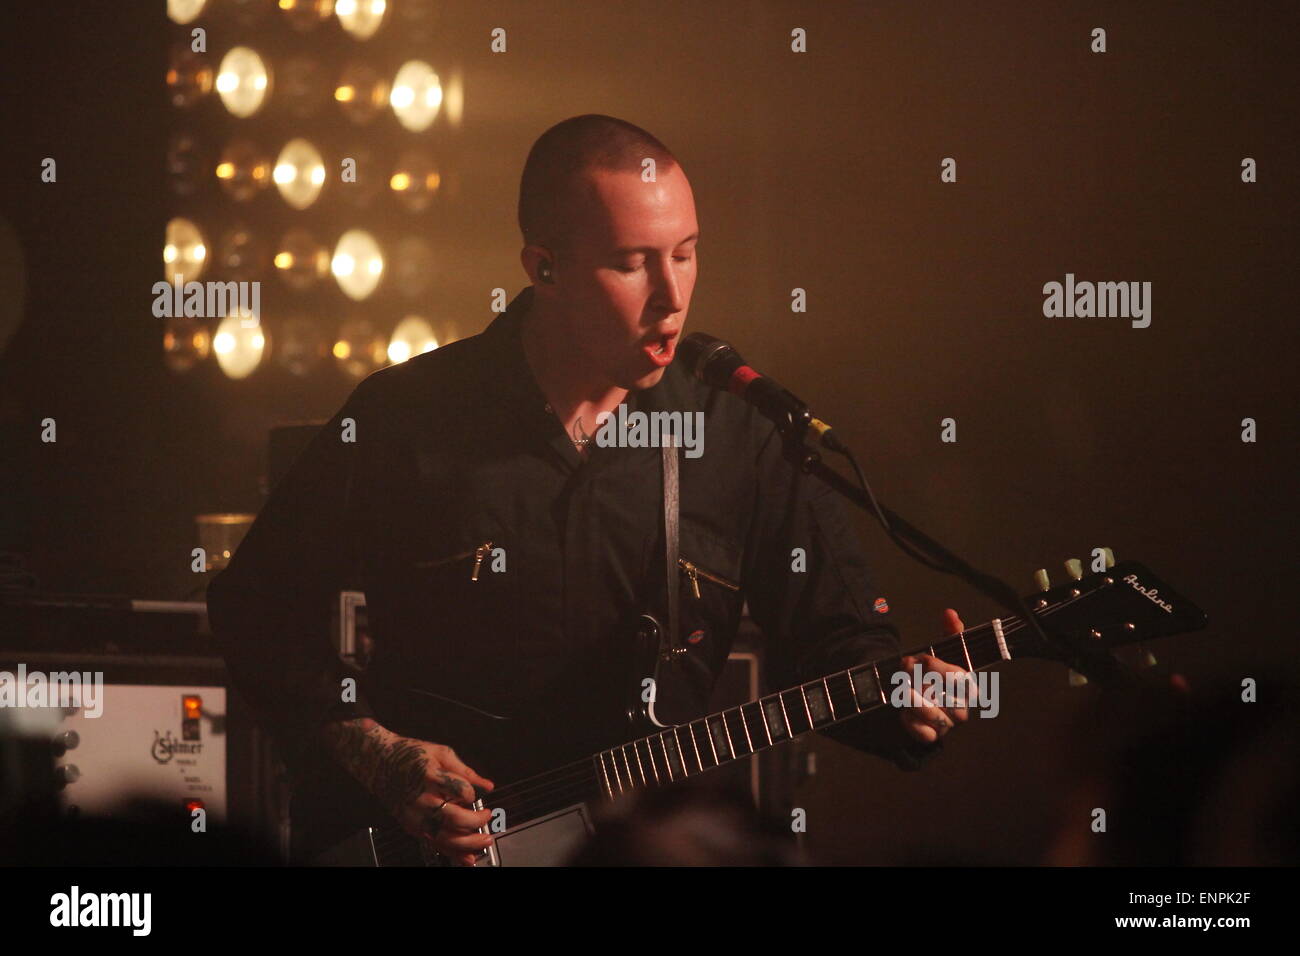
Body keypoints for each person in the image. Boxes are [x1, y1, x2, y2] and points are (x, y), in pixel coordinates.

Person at [206, 114, 973, 866]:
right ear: (544, 268)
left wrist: (906, 702)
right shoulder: (405, 416)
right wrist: (376, 750)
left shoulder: (741, 434)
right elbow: (256, 606)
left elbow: (833, 646)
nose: (672, 295)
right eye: (633, 262)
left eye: (687, 253)